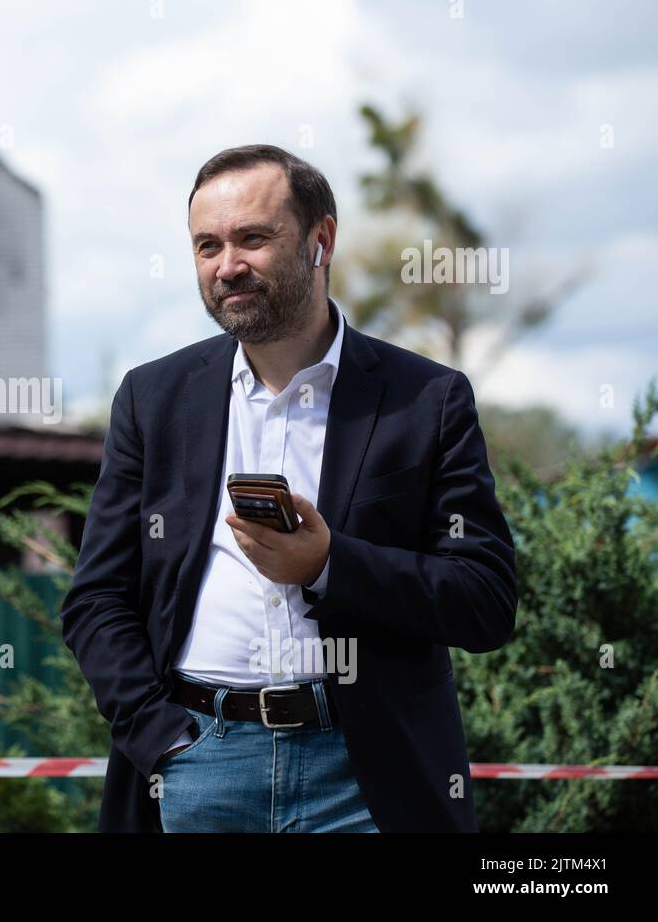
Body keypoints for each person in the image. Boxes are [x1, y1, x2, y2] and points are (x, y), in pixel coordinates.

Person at [60, 144, 517, 832]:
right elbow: (96, 598)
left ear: (320, 241)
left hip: (366, 775)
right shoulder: (152, 400)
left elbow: (485, 599)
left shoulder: (426, 398)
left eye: (253, 238)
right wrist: (162, 741)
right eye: (207, 245)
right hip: (198, 767)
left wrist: (330, 565)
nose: (227, 265)